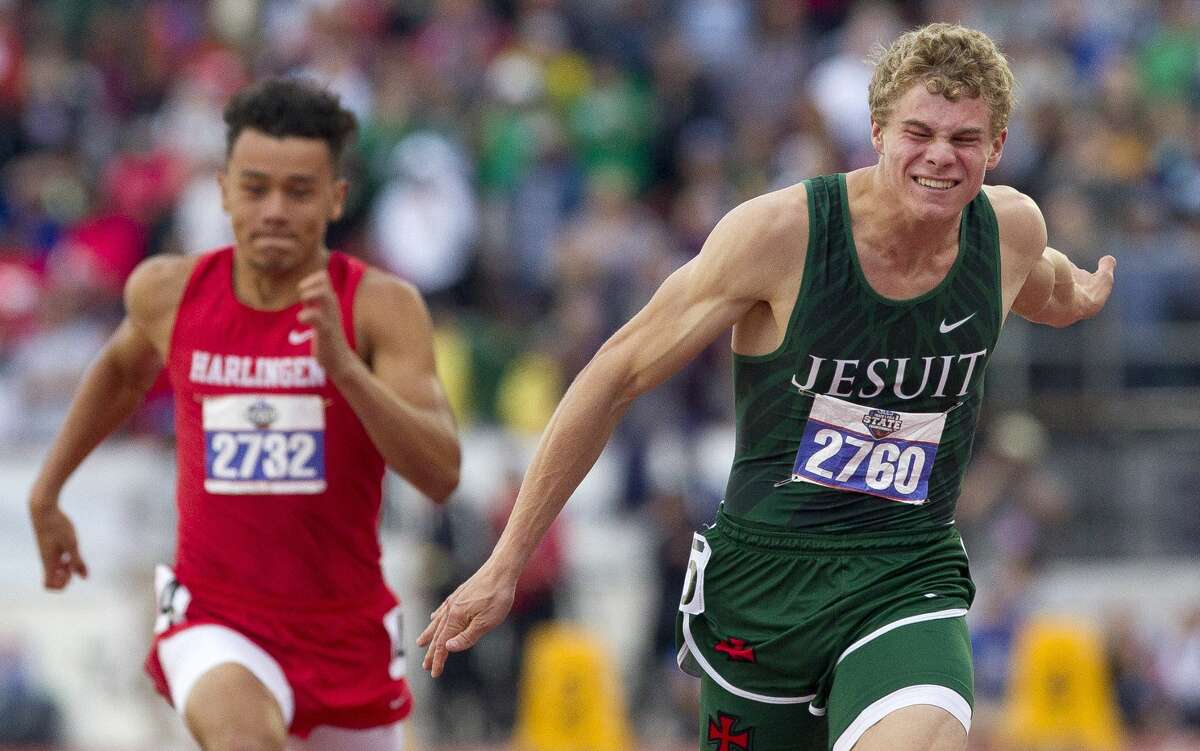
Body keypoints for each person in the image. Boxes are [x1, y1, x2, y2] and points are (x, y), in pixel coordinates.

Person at [418, 22, 1116, 751]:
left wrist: (1084, 294)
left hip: (908, 570)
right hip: (766, 583)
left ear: (997, 147)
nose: (941, 155)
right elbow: (614, 374)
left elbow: (1048, 284)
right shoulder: (781, 235)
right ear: (876, 131)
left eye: (966, 139)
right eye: (919, 132)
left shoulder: (1010, 229)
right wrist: (506, 561)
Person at [28, 77, 460, 751]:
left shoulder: (382, 307)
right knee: (242, 737)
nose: (275, 211)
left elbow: (440, 471)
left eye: (299, 191)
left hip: (347, 633)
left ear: (335, 197)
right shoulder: (170, 292)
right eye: (255, 189)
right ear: (224, 190)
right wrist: (48, 488)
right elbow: (119, 371)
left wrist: (345, 370)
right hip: (215, 615)